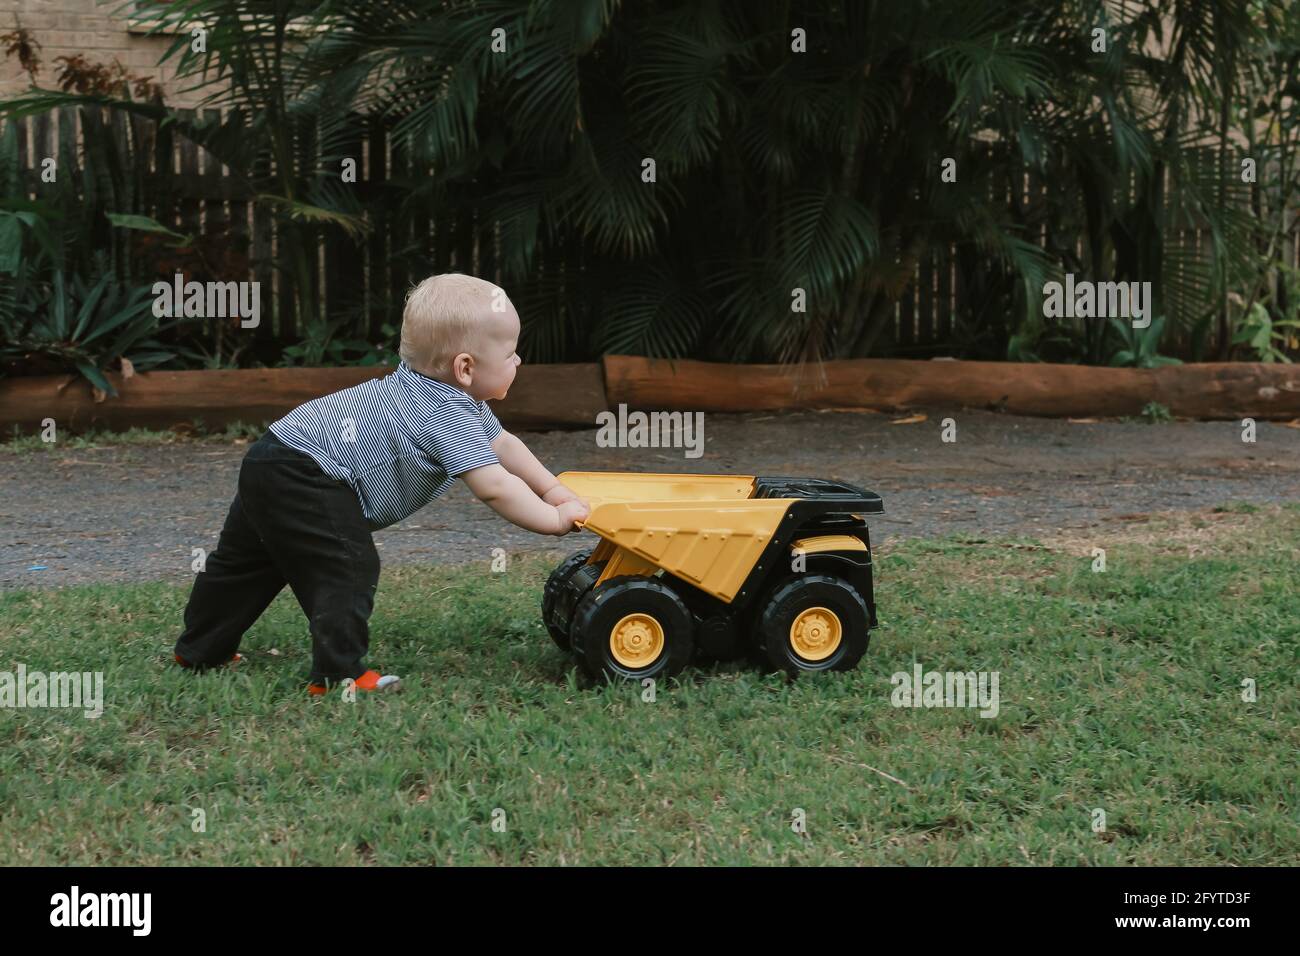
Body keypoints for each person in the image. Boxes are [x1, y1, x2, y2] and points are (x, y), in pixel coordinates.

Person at [173, 273, 589, 695]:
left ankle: (200, 649)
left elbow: (504, 445)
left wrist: (552, 489)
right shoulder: (443, 413)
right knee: (348, 567)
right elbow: (494, 486)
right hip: (309, 474)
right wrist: (553, 520)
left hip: (273, 454)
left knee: (245, 563)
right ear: (465, 368)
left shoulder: (438, 392)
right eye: (511, 354)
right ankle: (339, 677)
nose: (518, 363)